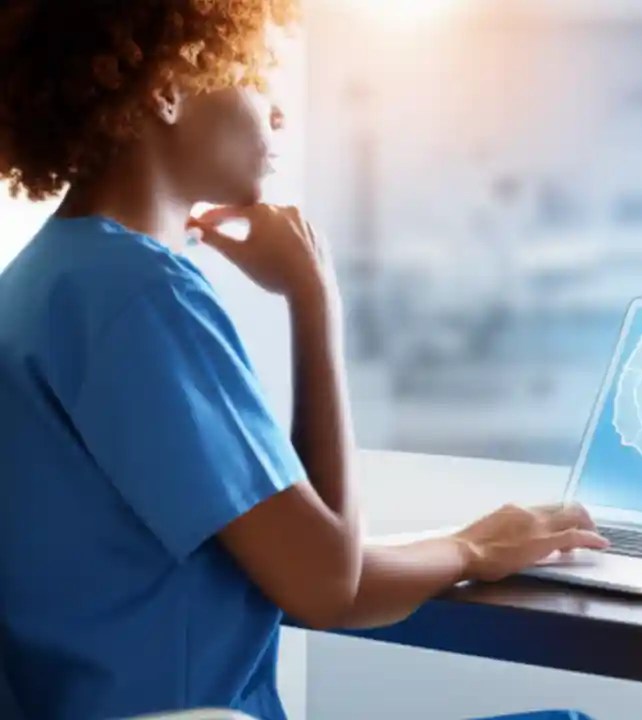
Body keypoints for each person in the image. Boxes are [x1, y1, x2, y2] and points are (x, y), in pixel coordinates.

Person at [0, 2, 606, 718]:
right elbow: (326, 586)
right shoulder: (141, 296)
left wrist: (464, 545)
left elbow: (294, 557)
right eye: (254, 78)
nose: (279, 115)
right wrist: (315, 303)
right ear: (167, 90)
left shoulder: (45, 280)